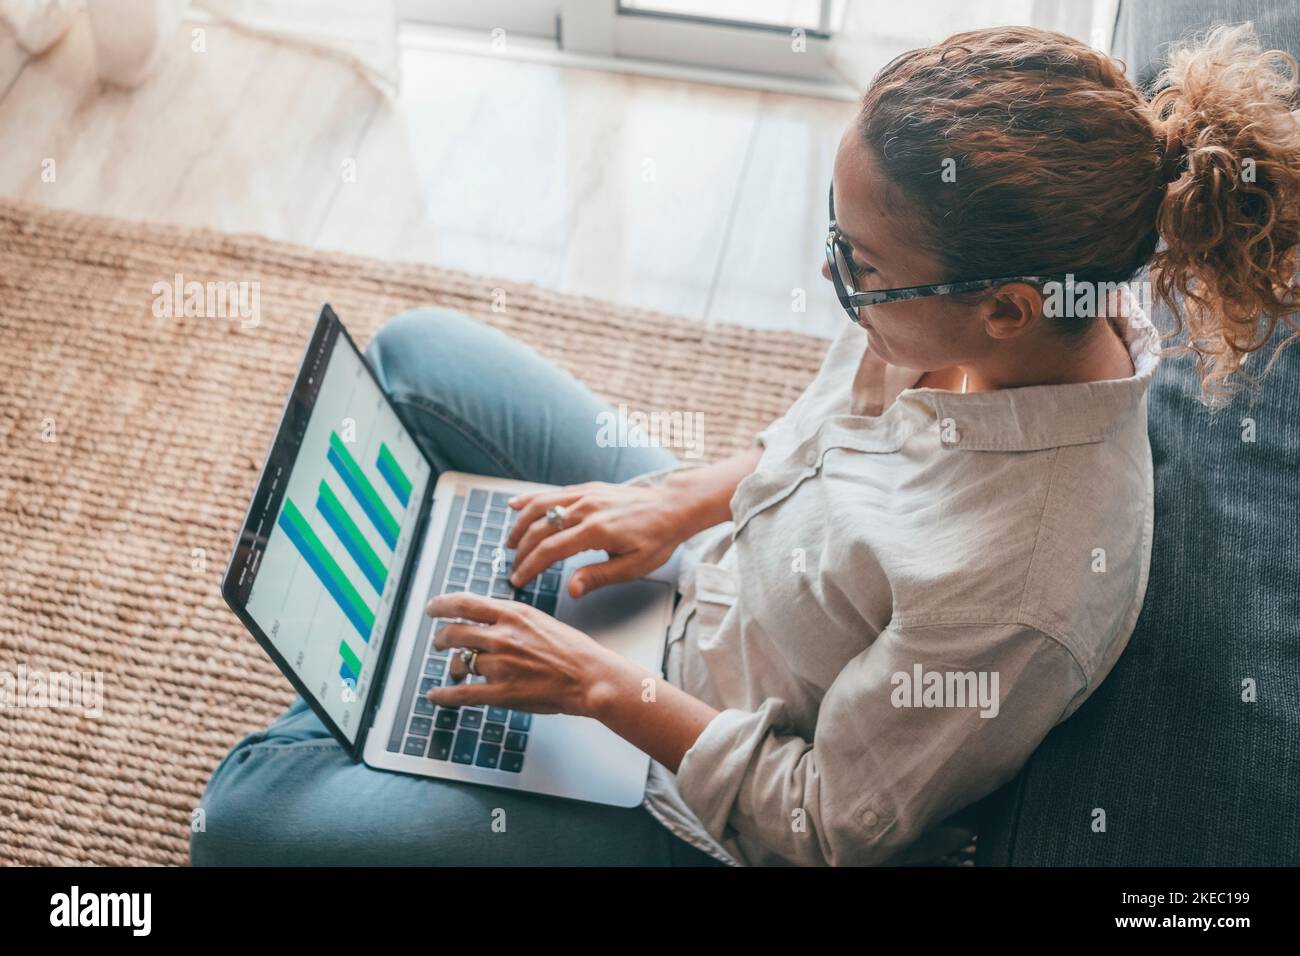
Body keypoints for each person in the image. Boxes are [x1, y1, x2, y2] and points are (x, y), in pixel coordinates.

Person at [193, 23, 1300, 866]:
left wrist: (595, 686)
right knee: (415, 354)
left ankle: (408, 684)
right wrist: (676, 504)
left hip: (691, 786)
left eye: (858, 264)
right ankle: (414, 663)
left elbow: (827, 819)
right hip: (721, 576)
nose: (835, 279)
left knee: (246, 812)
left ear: (1004, 307)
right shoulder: (995, 322)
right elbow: (825, 455)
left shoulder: (1020, 582)